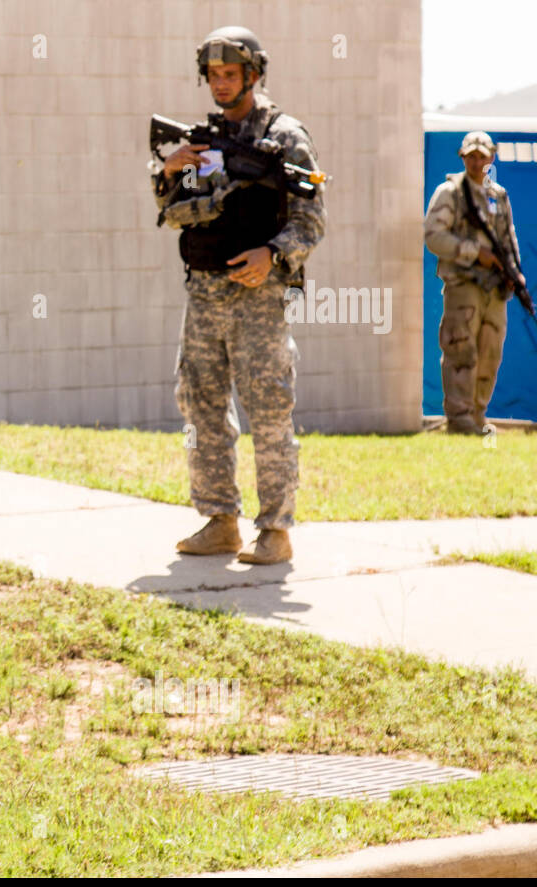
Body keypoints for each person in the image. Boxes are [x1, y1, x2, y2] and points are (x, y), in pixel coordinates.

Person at [150, 26, 325, 565]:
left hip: (257, 297)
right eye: (214, 76)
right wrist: (169, 171)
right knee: (201, 406)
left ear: (253, 75)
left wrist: (271, 254)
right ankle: (219, 520)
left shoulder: (286, 136)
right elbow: (172, 209)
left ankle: (275, 530)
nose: (221, 85)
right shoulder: (201, 139)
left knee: (269, 408)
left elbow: (312, 221)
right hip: (204, 293)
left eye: (231, 75)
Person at [424, 131, 525, 435]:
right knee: (460, 350)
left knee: (490, 352)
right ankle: (459, 418)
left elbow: (509, 239)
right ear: (463, 157)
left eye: (482, 156)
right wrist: (472, 252)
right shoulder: (450, 192)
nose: (477, 161)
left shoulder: (498, 196)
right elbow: (433, 236)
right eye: (471, 156)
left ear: (491, 157)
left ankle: (478, 416)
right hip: (464, 284)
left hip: (494, 289)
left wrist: (515, 273)